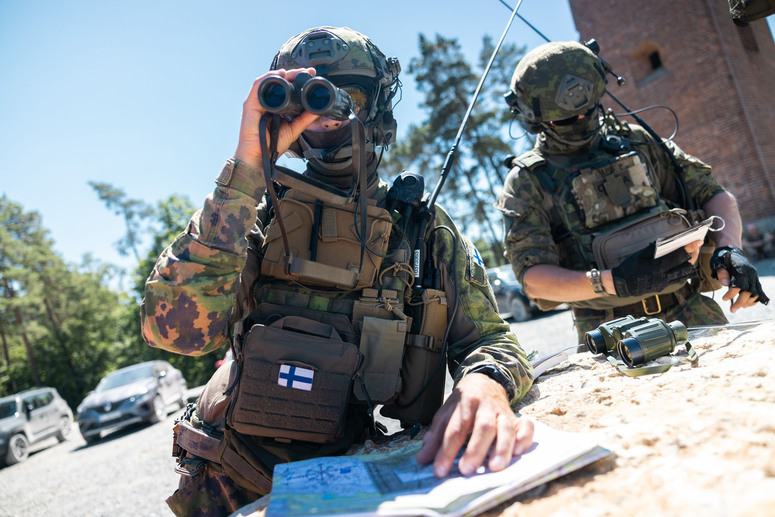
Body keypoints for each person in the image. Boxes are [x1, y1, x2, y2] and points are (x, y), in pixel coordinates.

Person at [141, 27, 534, 515]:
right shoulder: (251, 212)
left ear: (379, 106)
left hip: (347, 478)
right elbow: (174, 332)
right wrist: (247, 165)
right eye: (308, 101)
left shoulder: (418, 228)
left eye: (343, 97)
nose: (327, 116)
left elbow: (492, 339)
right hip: (225, 478)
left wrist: (485, 382)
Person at [495, 41, 769, 344]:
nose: (582, 122)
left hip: (692, 311)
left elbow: (714, 194)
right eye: (564, 120)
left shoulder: (638, 141)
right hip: (611, 335)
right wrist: (614, 281)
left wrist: (729, 249)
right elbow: (534, 280)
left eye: (588, 110)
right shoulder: (527, 182)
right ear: (532, 119)